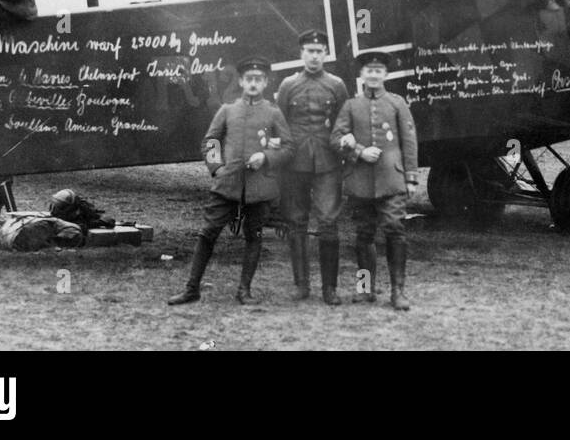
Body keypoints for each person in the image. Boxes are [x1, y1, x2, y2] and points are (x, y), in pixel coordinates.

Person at [168, 54, 293, 306]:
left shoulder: (273, 113)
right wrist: (216, 168)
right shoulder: (227, 110)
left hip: (260, 186)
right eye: (249, 79)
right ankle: (192, 289)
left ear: (266, 82)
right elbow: (211, 141)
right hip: (227, 184)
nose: (254, 83)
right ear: (242, 82)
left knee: (254, 236)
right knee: (207, 233)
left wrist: (266, 157)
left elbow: (289, 147)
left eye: (258, 79)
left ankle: (244, 290)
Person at [331, 50, 418, 311]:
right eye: (369, 71)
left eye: (378, 71)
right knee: (363, 234)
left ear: (385, 74)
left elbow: (409, 142)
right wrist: (359, 150)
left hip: (392, 178)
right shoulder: (350, 105)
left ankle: (397, 292)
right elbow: (335, 139)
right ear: (362, 74)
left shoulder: (397, 103)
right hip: (360, 180)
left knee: (394, 229)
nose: (373, 75)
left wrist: (411, 178)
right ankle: (365, 288)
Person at [274, 29, 349, 304]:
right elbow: (279, 121)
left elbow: (343, 121)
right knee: (297, 222)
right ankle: (301, 285)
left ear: (326, 53)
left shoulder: (337, 85)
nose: (314, 56)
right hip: (294, 163)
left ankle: (329, 288)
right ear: (301, 53)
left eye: (319, 51)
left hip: (328, 162)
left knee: (328, 222)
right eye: (309, 51)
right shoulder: (288, 85)